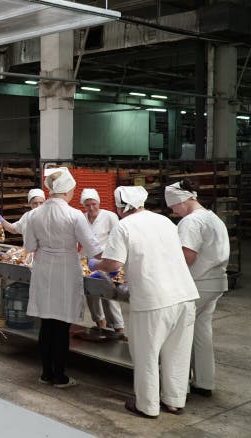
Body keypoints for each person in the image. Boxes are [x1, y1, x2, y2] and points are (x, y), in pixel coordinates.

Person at [94, 186, 199, 418]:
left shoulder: (124, 226)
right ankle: (174, 401)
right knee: (177, 353)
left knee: (146, 354)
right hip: (184, 295)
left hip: (153, 300)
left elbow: (113, 264)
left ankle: (148, 406)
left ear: (122, 206)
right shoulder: (165, 221)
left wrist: (95, 265)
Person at [23, 168, 102, 388]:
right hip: (66, 269)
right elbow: (93, 248)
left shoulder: (34, 214)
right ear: (67, 190)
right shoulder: (74, 215)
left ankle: (46, 373)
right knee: (61, 325)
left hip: (43, 269)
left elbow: (29, 247)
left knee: (46, 323)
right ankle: (60, 376)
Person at [165, 180, 230, 398]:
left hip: (198, 283)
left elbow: (187, 256)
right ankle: (204, 382)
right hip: (217, 281)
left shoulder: (191, 222)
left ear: (182, 200)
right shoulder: (213, 218)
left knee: (178, 334)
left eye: (173, 207)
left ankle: (176, 389)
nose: (173, 212)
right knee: (202, 332)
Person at [80, 188, 124, 340]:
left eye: (93, 204)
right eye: (87, 205)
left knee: (109, 296)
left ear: (98, 203)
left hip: (107, 262)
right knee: (91, 295)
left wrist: (115, 261)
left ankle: (119, 329)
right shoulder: (82, 218)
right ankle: (100, 325)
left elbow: (118, 239)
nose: (91, 208)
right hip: (87, 262)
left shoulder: (110, 216)